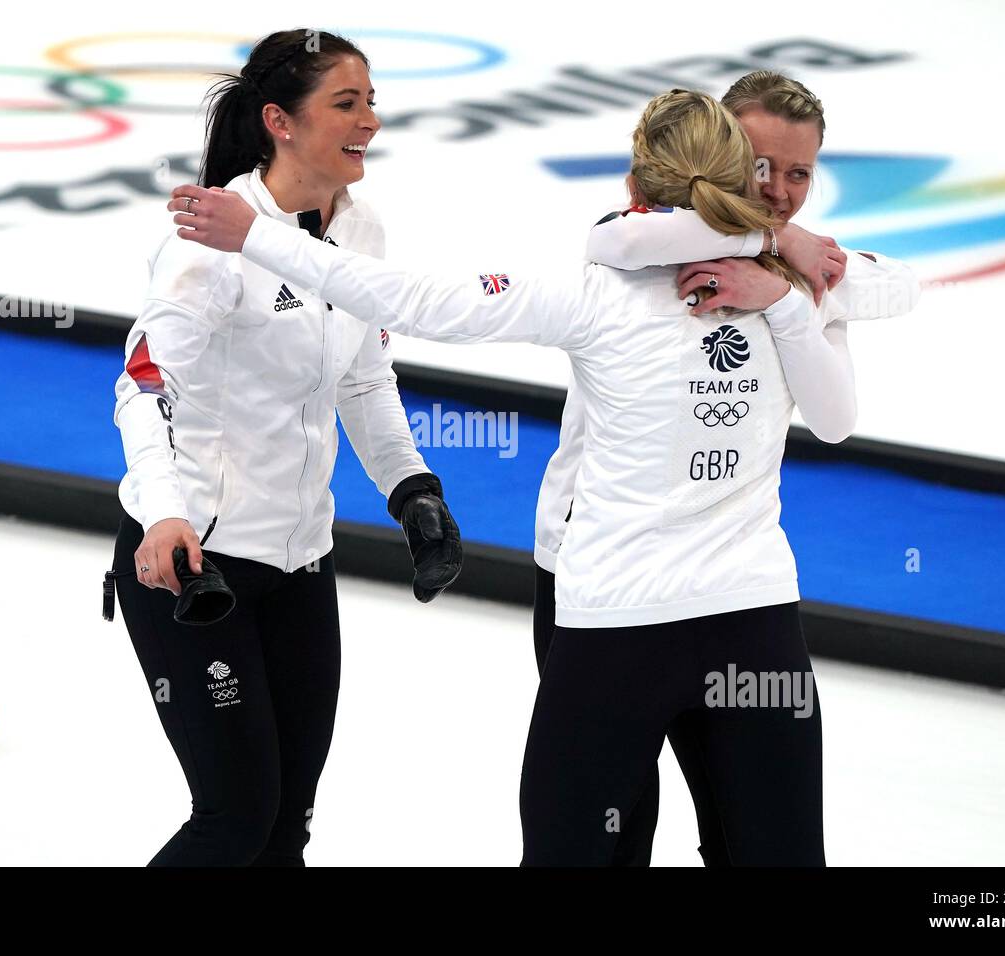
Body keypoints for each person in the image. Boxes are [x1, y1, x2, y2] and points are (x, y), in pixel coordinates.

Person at [167, 86, 871, 865]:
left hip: (616, 631)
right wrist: (779, 273)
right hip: (753, 624)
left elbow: (420, 301)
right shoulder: (799, 289)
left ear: (635, 188)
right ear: (739, 177)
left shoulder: (593, 292)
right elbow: (843, 403)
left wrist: (259, 237)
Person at [532, 70, 921, 866]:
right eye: (758, 165)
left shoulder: (797, 275)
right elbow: (620, 238)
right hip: (597, 578)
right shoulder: (637, 242)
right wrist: (774, 245)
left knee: (760, 835)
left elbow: (895, 289)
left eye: (801, 172)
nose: (778, 190)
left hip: (732, 592)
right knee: (609, 833)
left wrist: (788, 285)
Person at [106, 29, 462, 867]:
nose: (370, 119)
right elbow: (143, 385)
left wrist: (412, 489)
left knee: (285, 827)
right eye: (347, 103)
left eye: (371, 100)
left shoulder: (362, 230)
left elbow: (365, 379)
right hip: (195, 564)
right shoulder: (211, 239)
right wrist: (164, 517)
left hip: (301, 563)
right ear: (280, 121)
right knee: (235, 815)